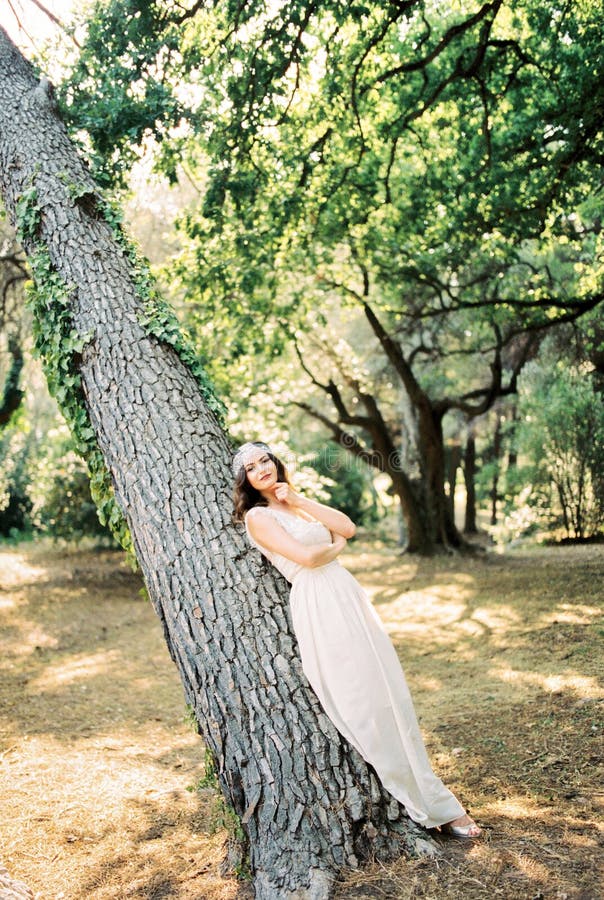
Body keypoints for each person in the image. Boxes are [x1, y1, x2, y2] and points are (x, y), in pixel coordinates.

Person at [233, 440, 482, 839]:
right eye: (251, 466)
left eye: (265, 459)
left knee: (390, 692)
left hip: (347, 596)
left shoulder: (291, 502)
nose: (261, 468)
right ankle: (422, 802)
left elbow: (348, 526)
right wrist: (339, 546)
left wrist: (297, 498)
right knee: (362, 701)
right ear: (244, 479)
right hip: (317, 601)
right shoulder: (258, 517)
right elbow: (310, 559)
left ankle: (434, 794)